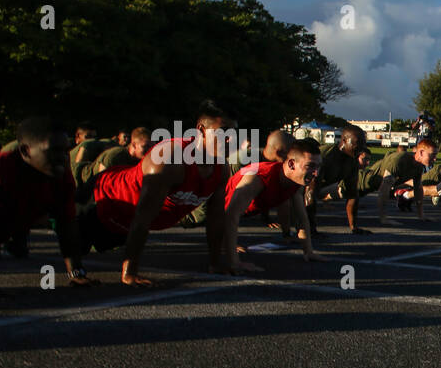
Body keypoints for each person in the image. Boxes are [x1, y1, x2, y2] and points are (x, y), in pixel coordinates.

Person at [76, 100, 234, 285]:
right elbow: (143, 216)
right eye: (223, 132)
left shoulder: (221, 169)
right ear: (200, 129)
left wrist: (215, 263)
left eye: (234, 133)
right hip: (101, 198)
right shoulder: (169, 158)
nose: (230, 139)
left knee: (95, 247)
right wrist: (130, 272)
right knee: (68, 250)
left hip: (126, 224)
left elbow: (216, 219)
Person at [0, 118, 95, 287]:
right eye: (55, 151)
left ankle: (17, 241)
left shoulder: (60, 174)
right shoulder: (4, 170)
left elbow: (66, 224)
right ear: (26, 151)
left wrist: (76, 272)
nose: (64, 158)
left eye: (66, 151)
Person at [222, 138, 322, 273]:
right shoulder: (258, 177)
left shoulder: (296, 181)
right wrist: (234, 261)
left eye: (318, 166)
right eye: (310, 166)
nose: (316, 173)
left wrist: (308, 251)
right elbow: (229, 214)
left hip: (230, 213)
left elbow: (301, 217)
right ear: (292, 164)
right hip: (203, 207)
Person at [358, 139, 436, 222]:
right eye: (432, 155)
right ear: (421, 152)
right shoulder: (398, 161)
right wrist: (383, 218)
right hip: (359, 183)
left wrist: (421, 215)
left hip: (369, 187)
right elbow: (383, 190)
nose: (435, 159)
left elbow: (418, 189)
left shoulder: (418, 167)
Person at [310, 123, 368, 236]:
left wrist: (354, 227)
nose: (361, 148)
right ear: (344, 140)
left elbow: (352, 194)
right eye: (357, 143)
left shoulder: (352, 161)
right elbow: (310, 192)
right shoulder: (326, 157)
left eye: (363, 143)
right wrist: (311, 229)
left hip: (319, 187)